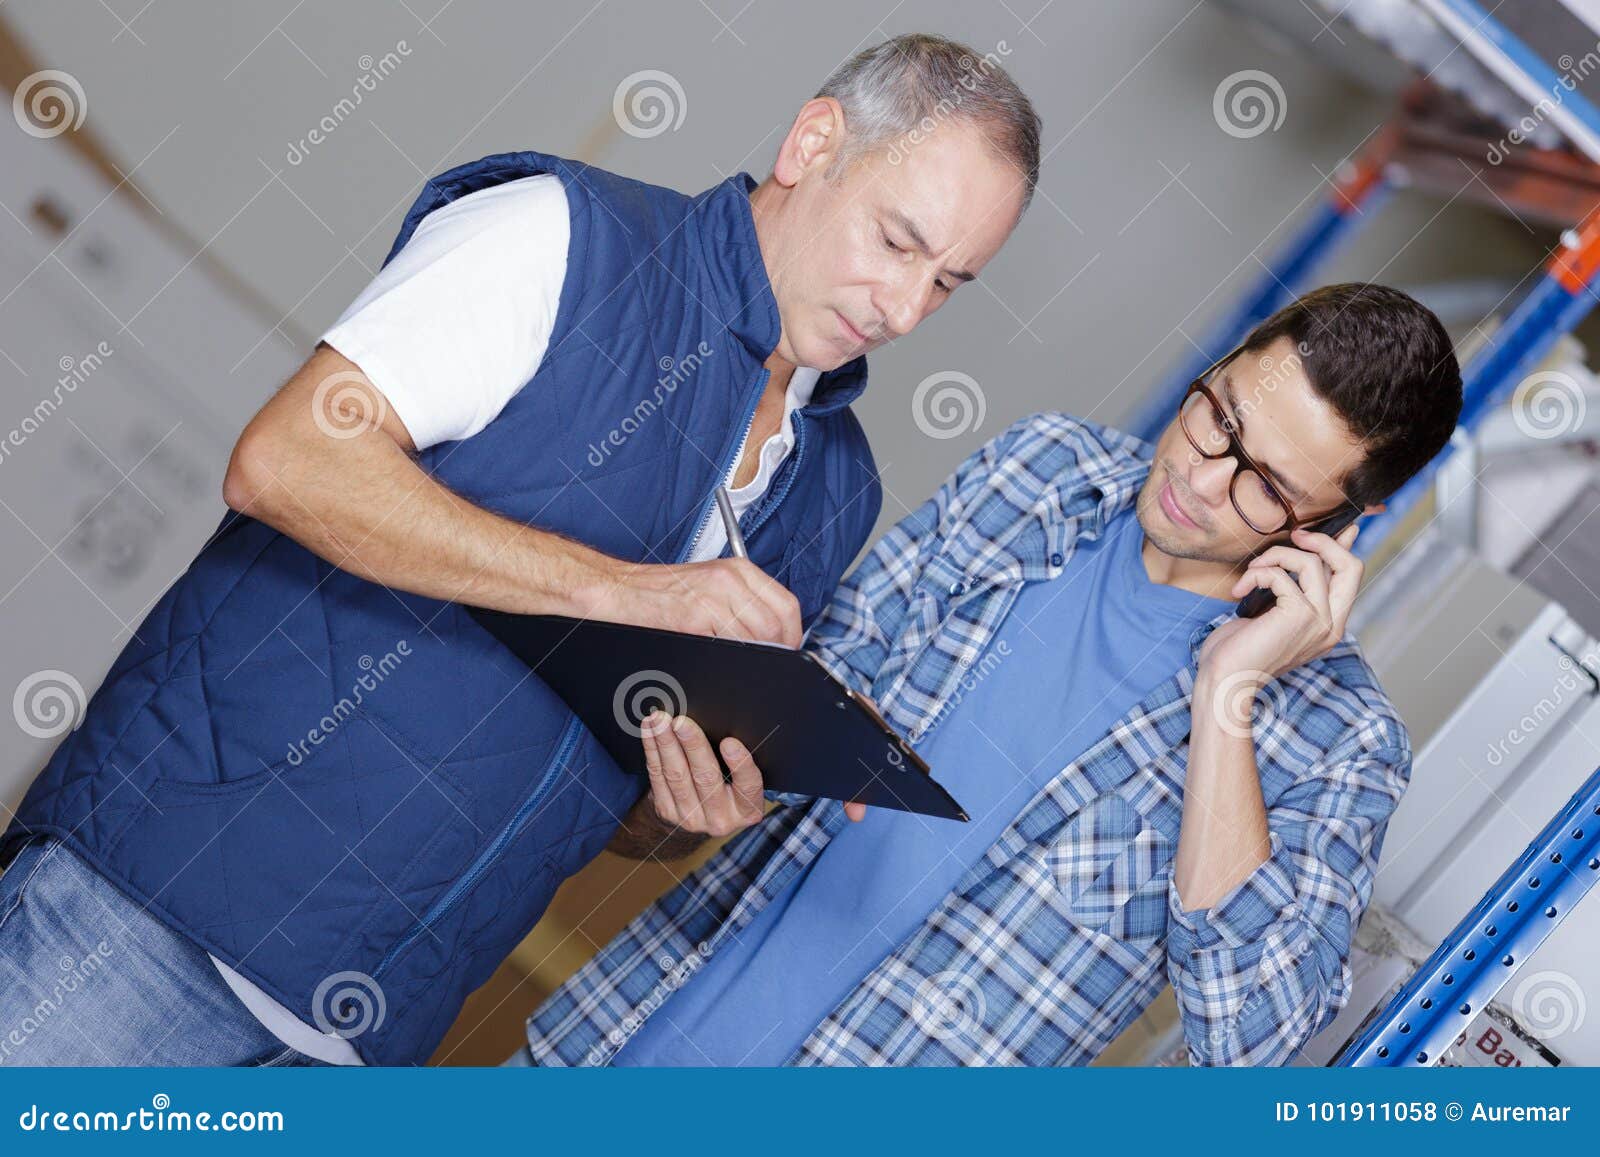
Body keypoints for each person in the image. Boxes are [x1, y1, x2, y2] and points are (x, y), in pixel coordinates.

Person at [0, 34, 1041, 1066]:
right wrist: (632, 592)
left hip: (369, 1028)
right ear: (814, 143)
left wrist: (685, 808)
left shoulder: (835, 485)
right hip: (150, 919)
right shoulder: (561, 237)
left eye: (948, 283)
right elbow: (289, 460)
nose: (904, 310)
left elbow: (596, 793)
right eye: (897, 243)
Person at [512, 283, 1464, 1067]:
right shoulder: (1043, 472)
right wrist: (713, 769)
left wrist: (1228, 697)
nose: (1201, 474)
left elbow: (1247, 1038)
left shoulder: (1341, 742)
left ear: (1331, 530)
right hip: (622, 1048)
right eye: (1221, 416)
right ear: (1221, 365)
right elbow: (806, 696)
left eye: (1265, 485)